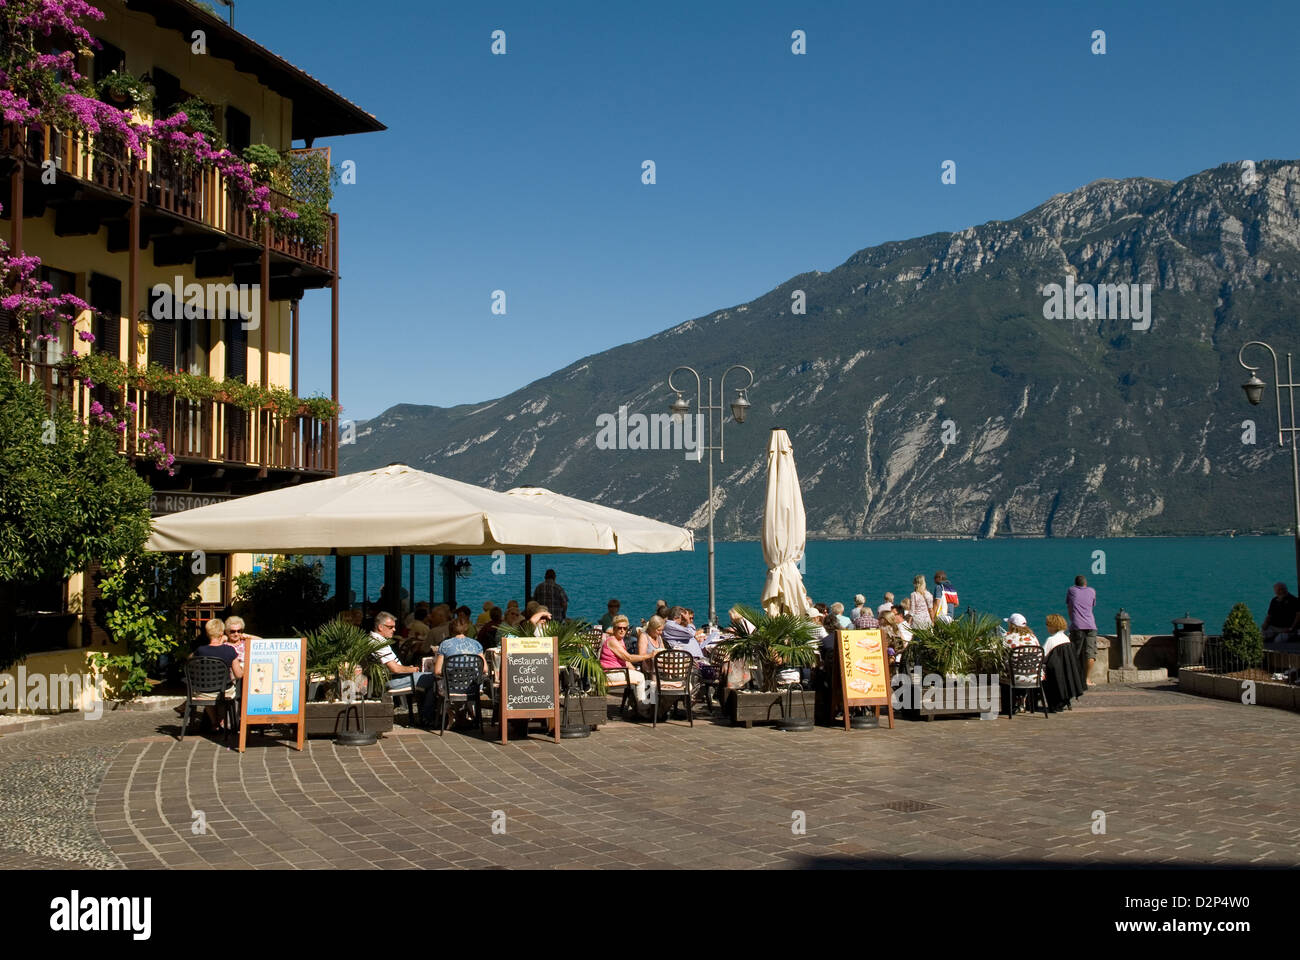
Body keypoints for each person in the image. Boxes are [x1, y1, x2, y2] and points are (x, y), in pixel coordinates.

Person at [371, 611, 438, 725]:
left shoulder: (375, 640)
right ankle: (427, 717)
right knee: (435, 678)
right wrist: (413, 669)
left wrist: (408, 669)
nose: (394, 630)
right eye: (390, 627)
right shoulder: (378, 643)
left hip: (391, 678)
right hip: (391, 680)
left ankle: (426, 715)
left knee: (428, 679)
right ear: (380, 627)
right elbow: (395, 669)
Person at [185, 618, 244, 729]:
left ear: (208, 633)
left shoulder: (200, 650)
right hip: (223, 692)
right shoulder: (229, 650)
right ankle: (222, 721)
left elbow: (189, 660)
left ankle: (214, 722)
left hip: (202, 692)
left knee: (208, 689)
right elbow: (239, 675)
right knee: (228, 689)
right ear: (222, 633)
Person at [599, 615, 654, 714]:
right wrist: (649, 655)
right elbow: (628, 657)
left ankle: (636, 707)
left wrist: (633, 669)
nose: (622, 630)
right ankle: (643, 709)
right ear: (614, 628)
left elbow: (626, 661)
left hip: (618, 670)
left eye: (625, 628)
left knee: (643, 676)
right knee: (640, 677)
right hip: (610, 673)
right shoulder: (612, 641)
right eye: (619, 628)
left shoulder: (620, 641)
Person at [1041, 613, 1085, 712]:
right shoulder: (1066, 638)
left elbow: (1042, 656)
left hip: (1053, 674)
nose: (1046, 627)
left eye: (1047, 624)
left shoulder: (1051, 640)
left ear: (1052, 626)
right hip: (1066, 673)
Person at [1066, 575, 1099, 687]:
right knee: (1090, 653)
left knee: (1075, 653)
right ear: (1086, 583)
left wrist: (1072, 620)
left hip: (1077, 626)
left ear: (1075, 584)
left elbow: (1069, 606)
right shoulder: (1092, 591)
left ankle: (1074, 679)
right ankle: (1087, 679)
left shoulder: (1072, 590)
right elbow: (1092, 605)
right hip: (1091, 625)